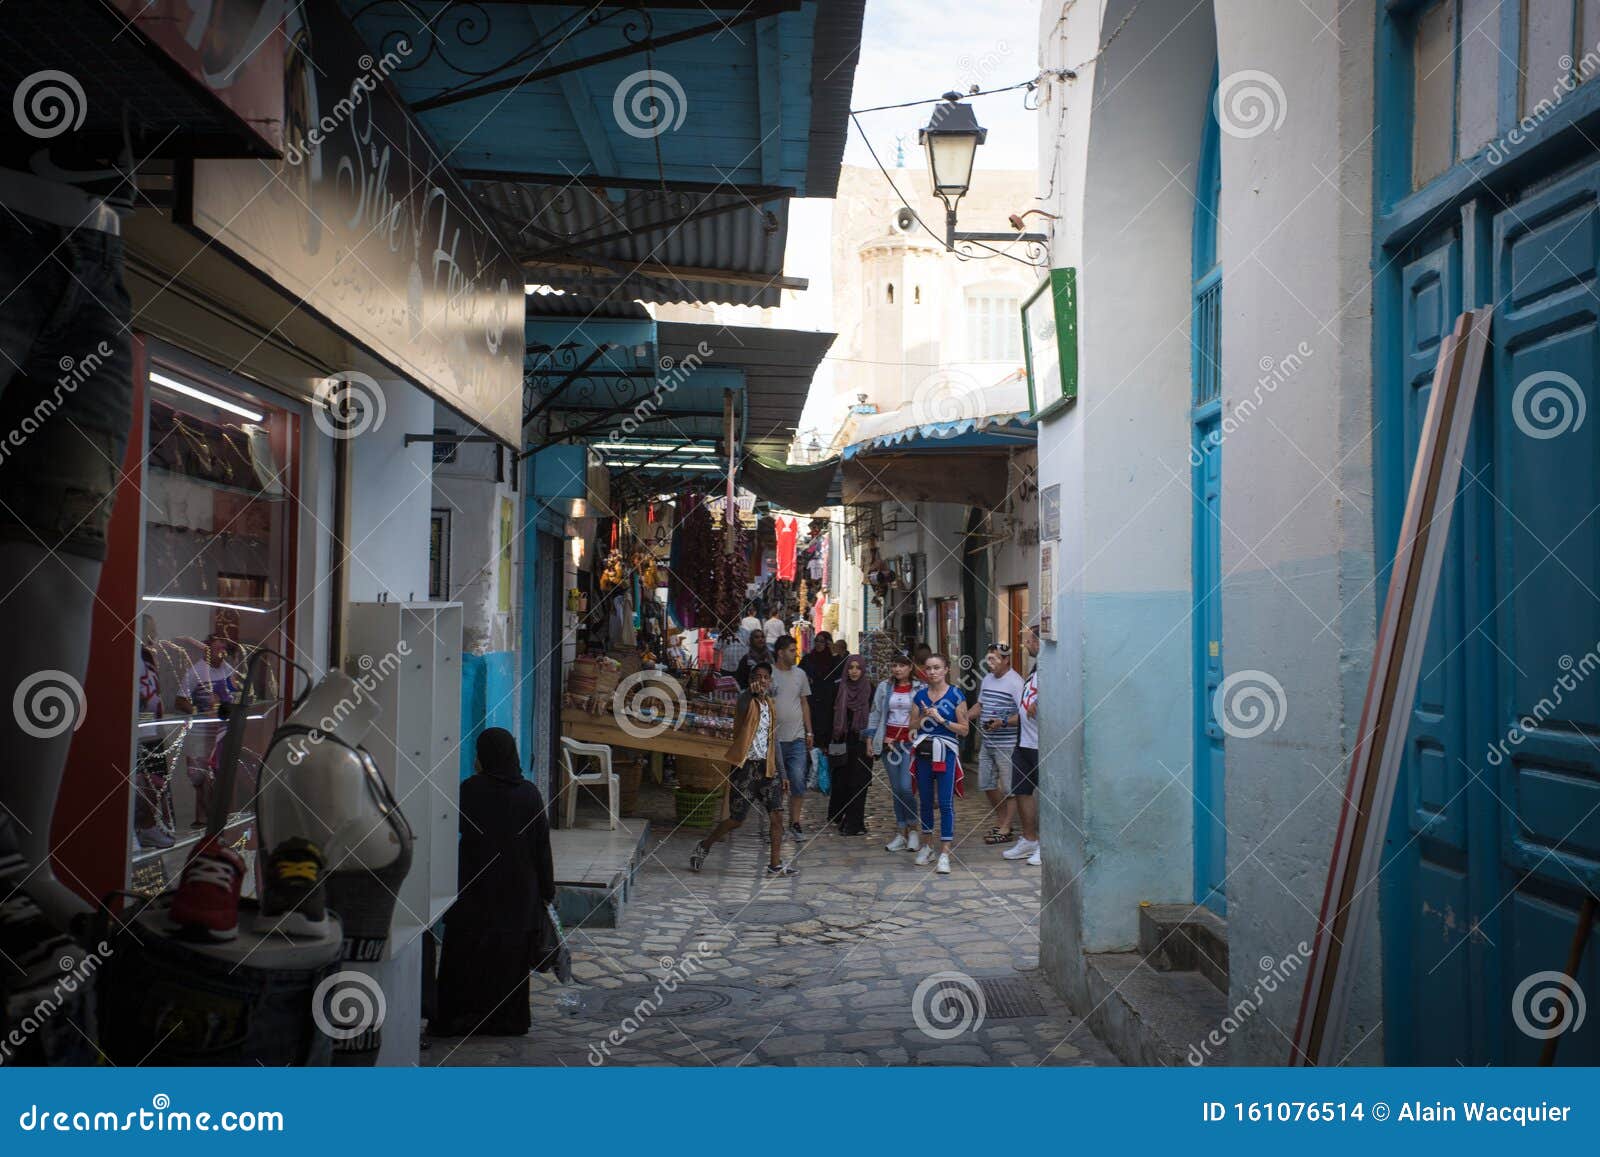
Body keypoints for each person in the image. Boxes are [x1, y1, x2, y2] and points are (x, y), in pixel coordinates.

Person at [431, 728, 557, 1036]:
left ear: (485, 756)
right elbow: (541, 846)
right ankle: (507, 1021)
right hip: (518, 895)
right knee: (509, 962)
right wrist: (547, 890)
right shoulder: (529, 793)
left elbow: (450, 831)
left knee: (467, 957)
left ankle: (460, 1019)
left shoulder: (471, 789)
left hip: (475, 891)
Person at [689, 663, 797, 877]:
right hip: (746, 768)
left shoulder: (770, 705)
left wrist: (782, 774)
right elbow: (743, 708)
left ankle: (774, 864)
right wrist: (750, 693)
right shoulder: (744, 701)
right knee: (736, 820)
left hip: (767, 769)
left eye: (766, 677)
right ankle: (705, 845)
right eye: (758, 677)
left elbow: (774, 741)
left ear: (770, 681)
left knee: (777, 817)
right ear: (751, 680)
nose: (763, 681)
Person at [909, 653, 969, 874]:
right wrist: (925, 717)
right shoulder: (920, 696)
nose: (932, 672)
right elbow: (911, 726)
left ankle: (945, 852)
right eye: (929, 668)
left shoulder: (956, 695)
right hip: (924, 751)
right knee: (925, 800)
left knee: (945, 802)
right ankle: (927, 846)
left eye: (937, 668)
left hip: (946, 752)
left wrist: (942, 720)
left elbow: (964, 729)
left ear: (945, 670)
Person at [869, 655, 924, 853]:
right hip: (889, 744)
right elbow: (875, 713)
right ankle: (901, 831)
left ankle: (914, 829)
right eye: (894, 665)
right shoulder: (884, 687)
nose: (897, 669)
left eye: (902, 665)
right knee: (896, 790)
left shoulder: (919, 688)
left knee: (906, 787)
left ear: (910, 667)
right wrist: (871, 737)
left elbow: (925, 713)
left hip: (910, 743)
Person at [971, 643, 1024, 845]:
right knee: (986, 783)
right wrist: (965, 717)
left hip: (1007, 743)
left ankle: (1006, 827)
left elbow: (1023, 714)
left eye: (994, 658)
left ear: (1006, 660)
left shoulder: (1015, 683)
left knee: (1010, 787)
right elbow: (981, 705)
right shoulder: (987, 679)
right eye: (988, 658)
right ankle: (1004, 821)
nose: (989, 662)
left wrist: (1003, 722)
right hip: (987, 741)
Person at [1004, 624, 1043, 866]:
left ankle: (1047, 844)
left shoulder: (1053, 668)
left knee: (1047, 797)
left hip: (1042, 743)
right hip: (1024, 741)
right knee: (1021, 790)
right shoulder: (1035, 668)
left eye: (1029, 641)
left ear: (1039, 642)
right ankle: (1030, 839)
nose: (1026, 645)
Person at [768, 636, 813, 838]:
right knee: (775, 784)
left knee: (798, 780)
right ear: (780, 652)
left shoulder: (800, 674)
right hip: (773, 739)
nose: (795, 653)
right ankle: (775, 825)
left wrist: (809, 731)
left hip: (797, 738)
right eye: (791, 650)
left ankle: (795, 822)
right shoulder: (769, 674)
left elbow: (804, 703)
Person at [800, 632, 843, 824]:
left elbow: (841, 682)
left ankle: (826, 771)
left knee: (827, 740)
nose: (818, 644)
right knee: (812, 739)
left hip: (829, 705)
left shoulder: (835, 661)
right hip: (812, 704)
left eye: (822, 641)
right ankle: (813, 771)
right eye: (816, 641)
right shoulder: (808, 660)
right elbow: (800, 676)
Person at [830, 655, 875, 836]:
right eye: (851, 667)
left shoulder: (870, 690)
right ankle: (845, 818)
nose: (854, 671)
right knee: (843, 782)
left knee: (860, 783)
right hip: (842, 742)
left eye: (857, 667)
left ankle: (854, 823)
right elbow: (829, 715)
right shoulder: (839, 688)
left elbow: (875, 716)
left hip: (863, 742)